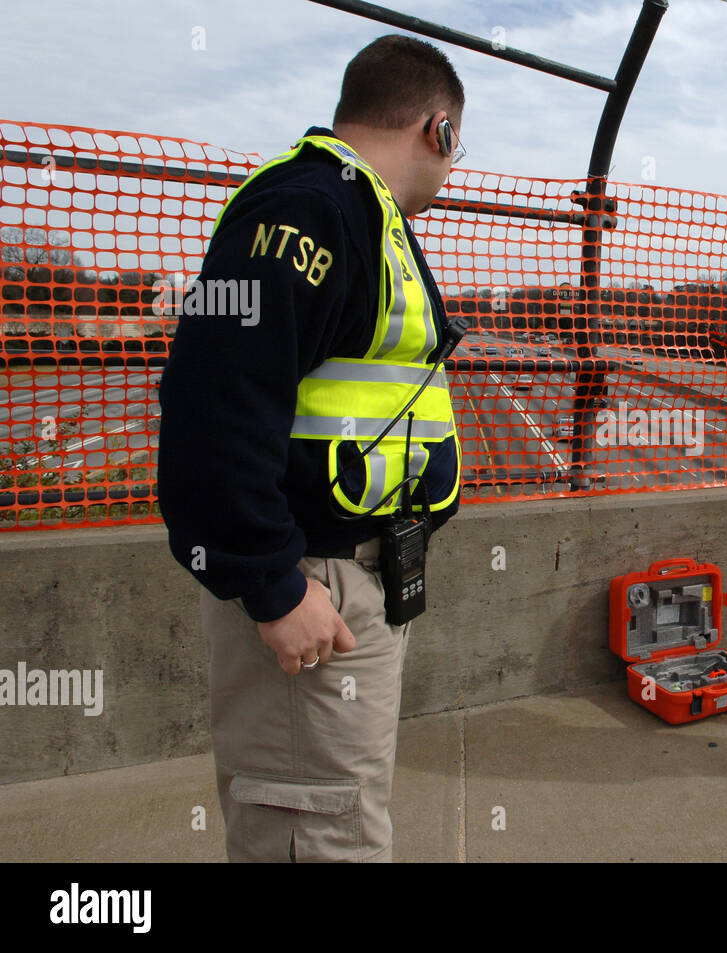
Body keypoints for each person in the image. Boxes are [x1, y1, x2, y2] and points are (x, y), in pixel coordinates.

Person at [158, 35, 466, 861]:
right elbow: (210, 405)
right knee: (318, 833)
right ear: (439, 131)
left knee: (339, 814)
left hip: (352, 581)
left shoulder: (359, 210)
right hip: (313, 587)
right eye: (455, 146)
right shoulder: (312, 208)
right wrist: (271, 583)